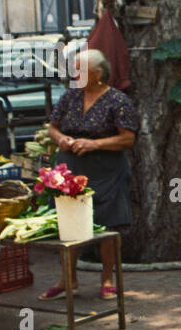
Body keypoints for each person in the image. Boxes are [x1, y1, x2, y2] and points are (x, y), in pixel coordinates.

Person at [42, 49, 138, 301]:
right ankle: (68, 279)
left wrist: (94, 144)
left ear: (97, 74)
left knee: (107, 225)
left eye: (80, 70)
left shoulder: (117, 100)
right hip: (71, 168)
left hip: (106, 170)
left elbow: (128, 138)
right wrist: (61, 138)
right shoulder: (70, 97)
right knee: (67, 223)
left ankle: (107, 279)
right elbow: (52, 127)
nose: (74, 75)